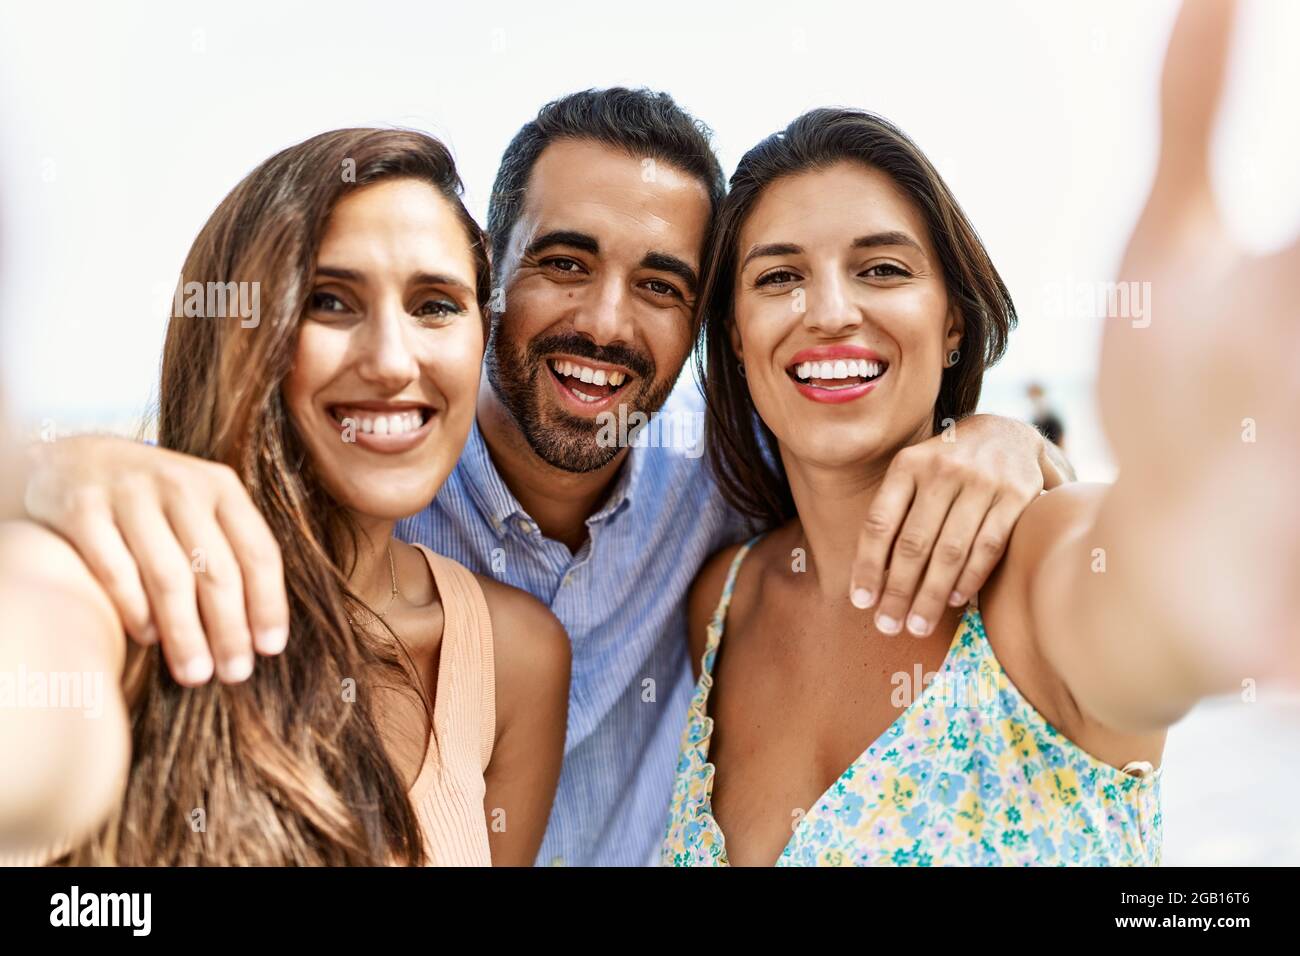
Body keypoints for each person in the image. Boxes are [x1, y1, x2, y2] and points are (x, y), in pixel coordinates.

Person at [18, 91, 1074, 866]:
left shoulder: (717, 509)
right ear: (491, 284)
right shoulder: (346, 472)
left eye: (659, 283)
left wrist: (996, 434)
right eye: (564, 262)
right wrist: (39, 465)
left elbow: (866, 450)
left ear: (704, 329)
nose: (607, 323)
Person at [663, 0, 1298, 866]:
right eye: (779, 277)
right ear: (735, 336)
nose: (832, 312)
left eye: (882, 269)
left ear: (954, 323)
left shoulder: (1038, 569)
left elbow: (1157, 598)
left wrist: (1209, 486)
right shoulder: (722, 602)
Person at [0, 129, 569, 865]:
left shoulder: (514, 656)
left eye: (435, 306)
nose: (394, 361)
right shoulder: (128, 583)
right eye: (330, 301)